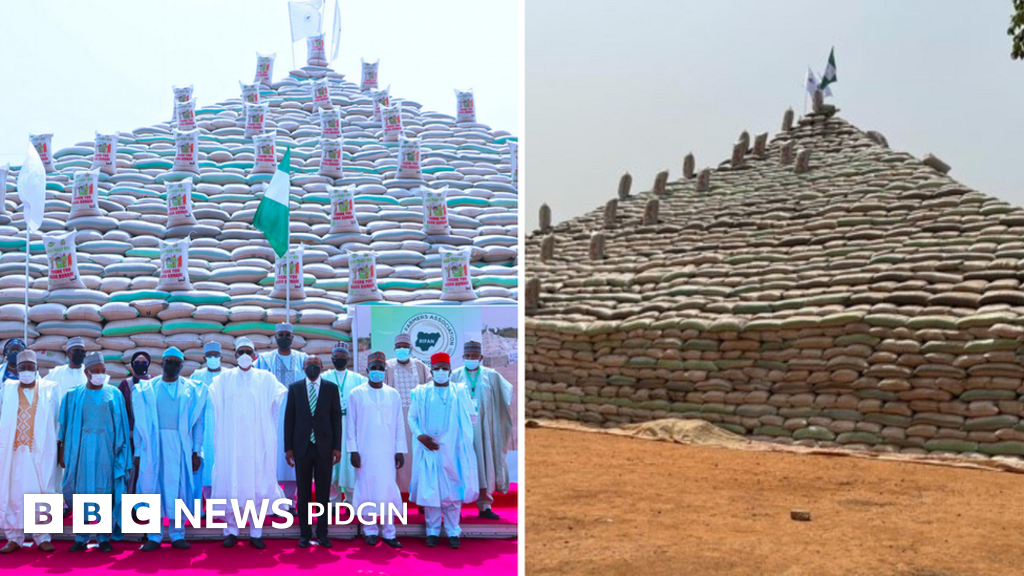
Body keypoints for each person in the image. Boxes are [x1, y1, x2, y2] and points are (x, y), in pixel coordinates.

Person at [209, 337, 286, 549]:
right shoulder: (224, 379)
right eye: (240, 351)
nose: (244, 355)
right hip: (231, 443)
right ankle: (231, 530)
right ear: (234, 356)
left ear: (254, 356)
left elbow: (278, 398)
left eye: (247, 351)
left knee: (258, 484)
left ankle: (256, 531)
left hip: (256, 443)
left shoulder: (266, 378)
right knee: (230, 482)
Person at [133, 347, 207, 551]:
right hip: (154, 444)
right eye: (169, 362)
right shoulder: (146, 389)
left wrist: (196, 451)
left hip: (181, 444)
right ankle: (154, 536)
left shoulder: (192, 390)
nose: (172, 366)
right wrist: (138, 452)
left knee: (180, 488)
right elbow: (140, 424)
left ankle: (177, 534)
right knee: (153, 487)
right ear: (161, 363)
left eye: (177, 363)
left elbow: (199, 422)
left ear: (182, 366)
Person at [59, 352, 132, 552]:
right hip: (81, 453)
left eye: (103, 371)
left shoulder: (114, 394)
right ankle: (81, 537)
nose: (100, 374)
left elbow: (123, 428)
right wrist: (63, 451)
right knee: (82, 491)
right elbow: (64, 427)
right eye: (96, 371)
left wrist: (121, 454)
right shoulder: (73, 395)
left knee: (105, 490)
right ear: (87, 372)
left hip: (106, 453)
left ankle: (103, 537)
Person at [408, 353, 478, 549]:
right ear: (431, 371)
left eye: (444, 368)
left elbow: (471, 418)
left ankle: (453, 531)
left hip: (453, 450)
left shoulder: (460, 392)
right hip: (428, 449)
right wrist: (420, 436)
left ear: (449, 370)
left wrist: (456, 438)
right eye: (437, 368)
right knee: (431, 491)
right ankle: (432, 531)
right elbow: (412, 418)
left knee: (453, 492)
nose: (441, 372)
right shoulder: (420, 392)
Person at [0, 351, 59, 553]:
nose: (26, 371)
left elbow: (57, 420)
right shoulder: (6, 389)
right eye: (22, 368)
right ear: (16, 370)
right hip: (14, 451)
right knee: (12, 493)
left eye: (30, 368)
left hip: (41, 450)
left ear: (37, 370)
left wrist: (59, 447)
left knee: (44, 490)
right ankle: (14, 537)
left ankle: (43, 537)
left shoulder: (50, 390)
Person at [348, 351, 406, 549]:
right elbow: (351, 425)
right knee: (368, 489)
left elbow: (399, 424)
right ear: (367, 370)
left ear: (385, 370)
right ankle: (370, 530)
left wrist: (400, 450)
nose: (377, 372)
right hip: (364, 452)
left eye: (381, 369)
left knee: (388, 489)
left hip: (388, 452)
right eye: (374, 368)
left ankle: (389, 532)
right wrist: (353, 450)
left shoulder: (393, 394)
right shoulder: (356, 394)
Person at [450, 341, 514, 519]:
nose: (471, 359)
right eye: (468, 357)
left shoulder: (491, 376)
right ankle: (456, 506)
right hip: (462, 429)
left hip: (484, 429)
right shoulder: (454, 375)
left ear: (481, 357)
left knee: (484, 463)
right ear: (463, 358)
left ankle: (485, 506)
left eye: (474, 356)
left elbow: (506, 394)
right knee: (460, 464)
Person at [284, 355, 342, 548]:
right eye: (309, 366)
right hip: (302, 448)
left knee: (323, 493)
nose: (312, 369)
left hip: (324, 447)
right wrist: (288, 448)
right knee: (304, 494)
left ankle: (323, 533)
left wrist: (337, 447)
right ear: (303, 368)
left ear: (322, 367)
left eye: (316, 365)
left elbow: (336, 419)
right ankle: (305, 534)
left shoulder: (331, 388)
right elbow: (289, 420)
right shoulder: (294, 389)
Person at [255, 323, 307, 511]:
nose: (284, 337)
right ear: (275, 337)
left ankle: (291, 502)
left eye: (287, 334)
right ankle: (272, 502)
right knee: (272, 456)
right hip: (272, 414)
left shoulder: (303, 359)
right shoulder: (264, 360)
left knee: (293, 459)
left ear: (293, 338)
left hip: (297, 414)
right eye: (280, 334)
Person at [321, 342, 365, 504]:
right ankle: (333, 501)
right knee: (331, 463)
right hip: (330, 426)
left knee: (349, 464)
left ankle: (351, 501)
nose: (340, 360)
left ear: (348, 359)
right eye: (337, 357)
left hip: (351, 426)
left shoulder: (358, 379)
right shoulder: (324, 377)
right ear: (332, 359)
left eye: (343, 357)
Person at [384, 333, 429, 493]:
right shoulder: (387, 366)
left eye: (405, 347)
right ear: (394, 349)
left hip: (417, 421)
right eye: (399, 347)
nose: (402, 349)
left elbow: (429, 388)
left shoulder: (420, 366)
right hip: (394, 419)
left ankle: (420, 495)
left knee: (418, 457)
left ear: (411, 348)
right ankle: (394, 496)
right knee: (396, 456)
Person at [188, 342, 222, 505]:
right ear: (204, 358)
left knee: (222, 463)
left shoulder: (228, 375)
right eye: (210, 355)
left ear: (222, 357)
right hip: (202, 425)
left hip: (223, 424)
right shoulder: (197, 375)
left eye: (216, 355)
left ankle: (221, 504)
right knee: (204, 464)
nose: (213, 358)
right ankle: (203, 504)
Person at [118, 351, 151, 494]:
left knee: (148, 471)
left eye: (144, 363)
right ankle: (129, 507)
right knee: (131, 470)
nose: (141, 365)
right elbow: (120, 411)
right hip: (130, 436)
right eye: (137, 363)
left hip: (149, 436)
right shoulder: (125, 384)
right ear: (132, 365)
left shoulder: (153, 383)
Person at [49, 337, 89, 404]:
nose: (80, 354)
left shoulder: (90, 372)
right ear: (67, 353)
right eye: (76, 351)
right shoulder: (57, 372)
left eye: (82, 351)